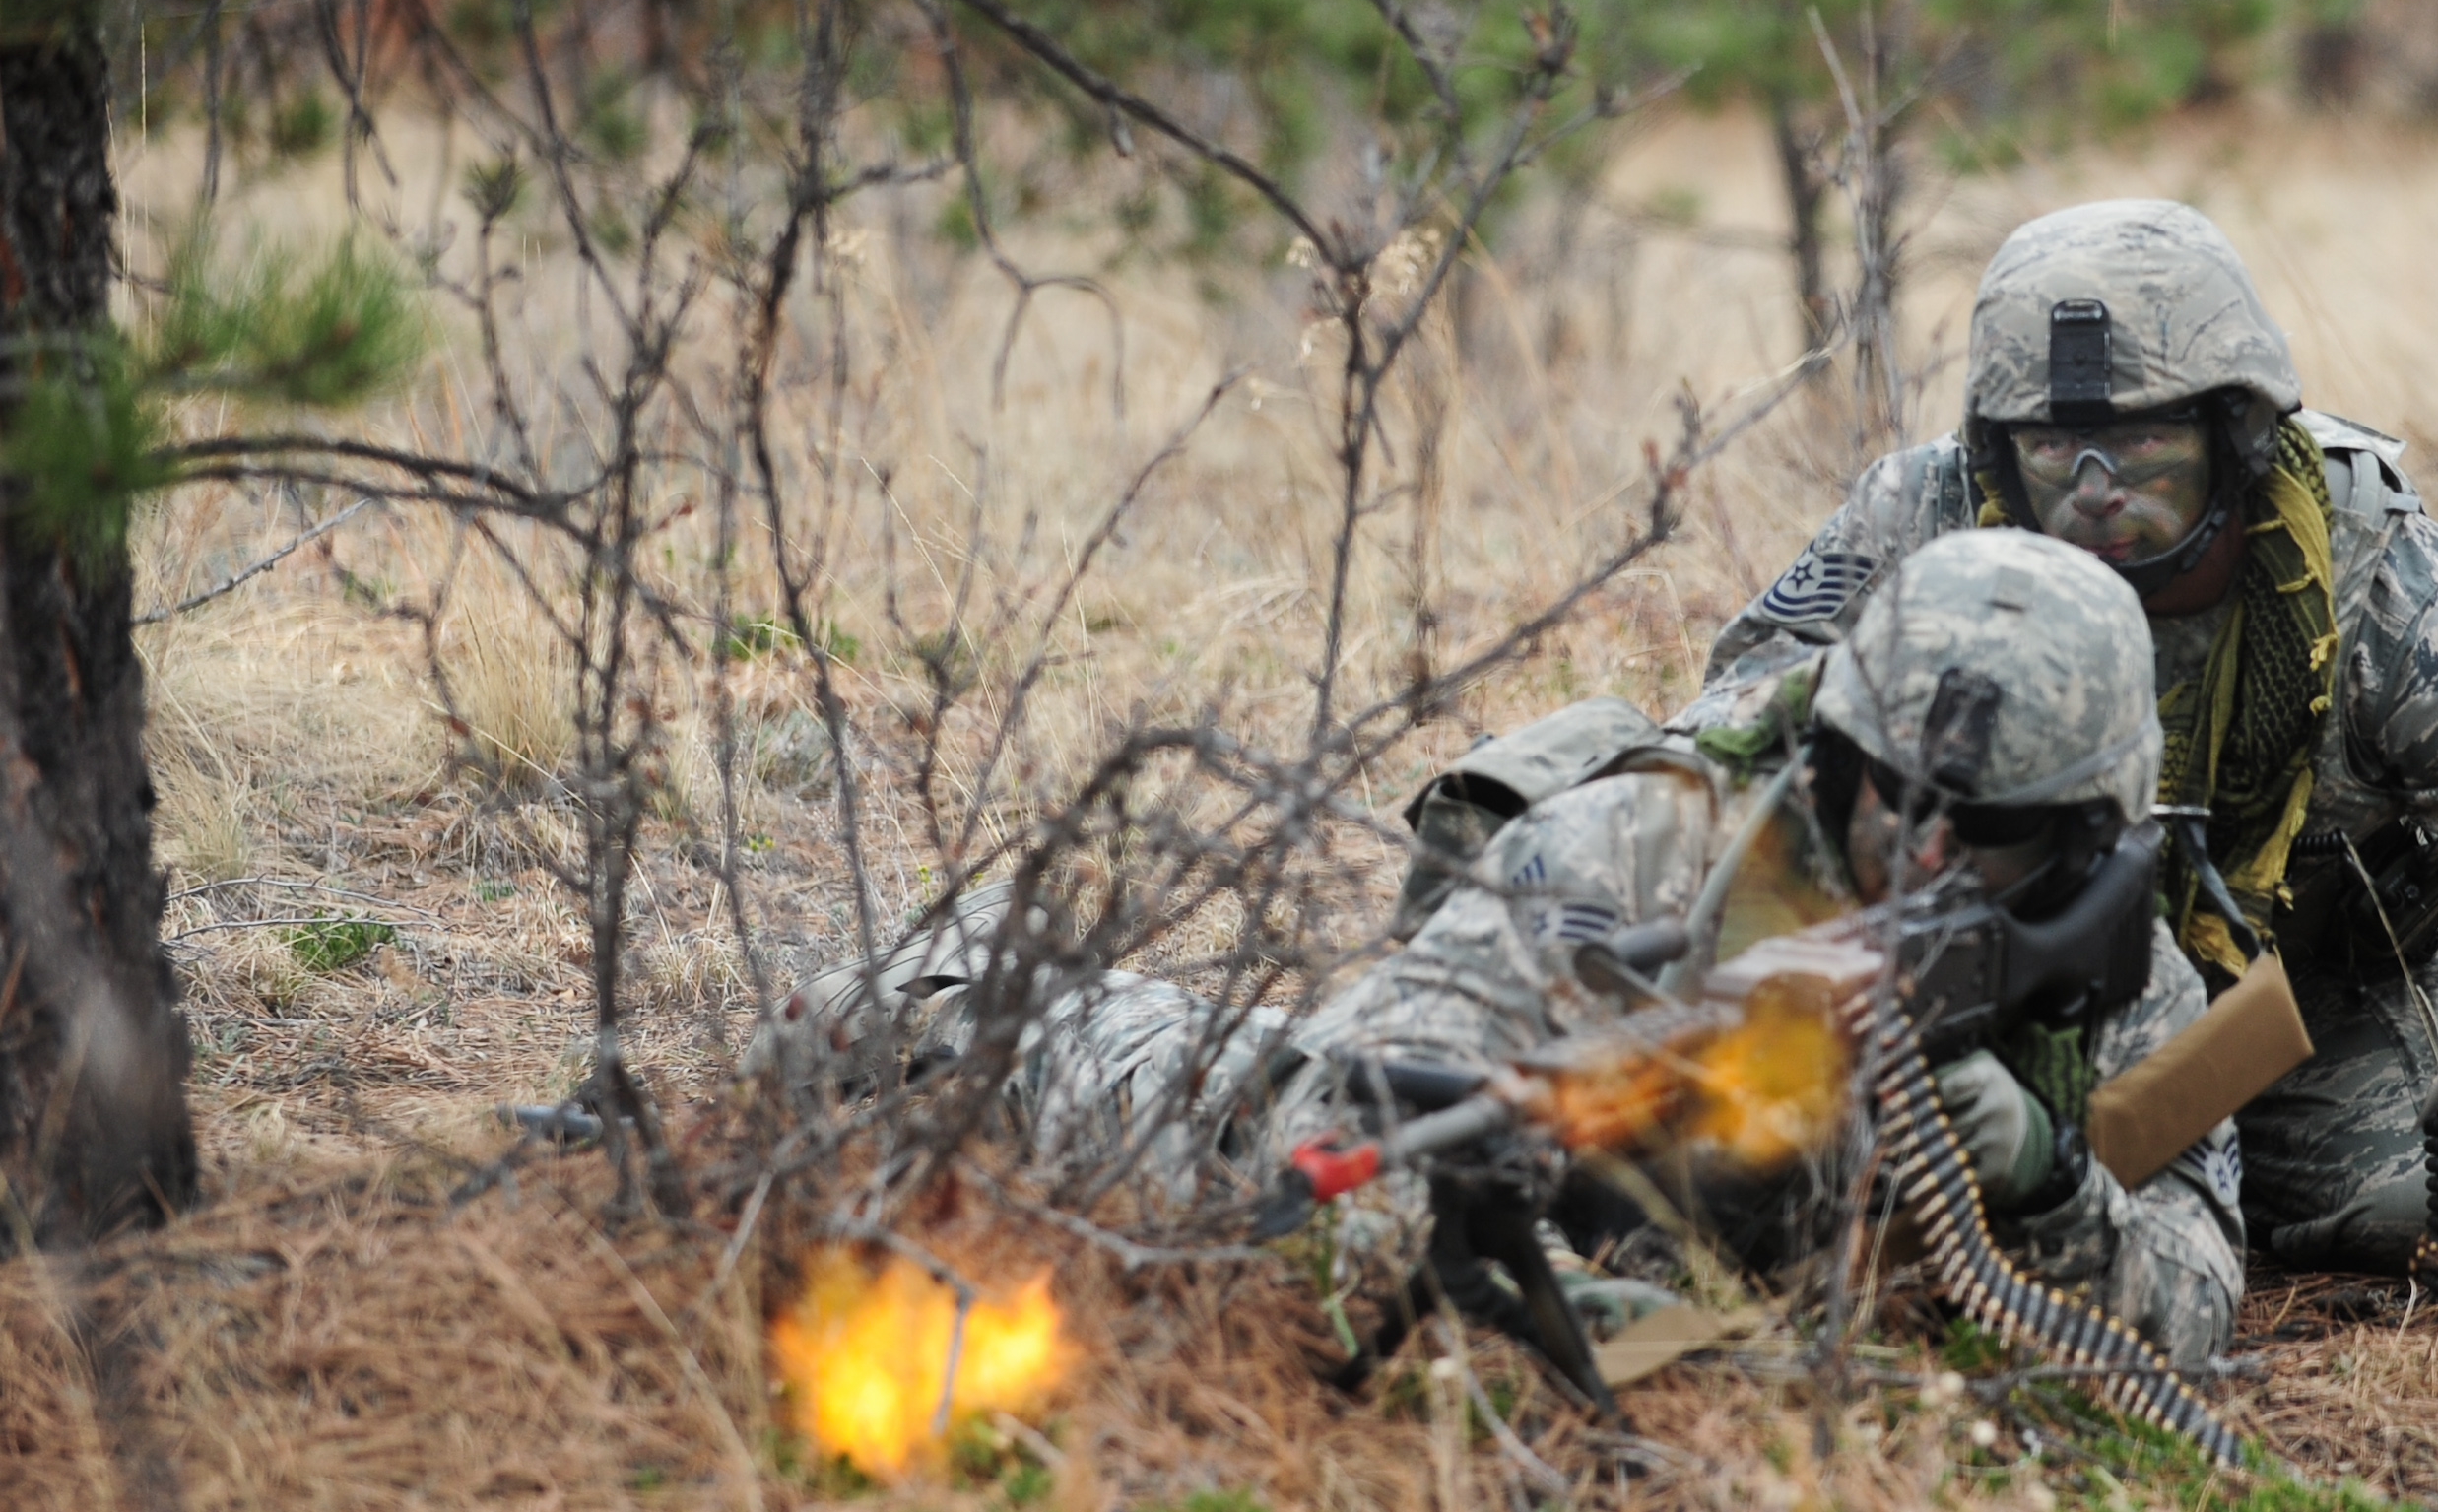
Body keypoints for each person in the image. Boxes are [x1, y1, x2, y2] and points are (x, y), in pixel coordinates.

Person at [762, 531, 2246, 1380]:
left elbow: (2194, 1301)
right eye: (1890, 805)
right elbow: (1351, 1137)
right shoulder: (1638, 852)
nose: (1920, 862)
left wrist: (2034, 1169)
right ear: (1833, 756)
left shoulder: (2116, 965)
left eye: (1983, 834)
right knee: (949, 1033)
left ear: (2087, 836)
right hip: (1276, 1111)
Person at [1690, 199, 2438, 1315]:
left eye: (2148, 447)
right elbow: (1734, 740)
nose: (2098, 492)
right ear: (2000, 452)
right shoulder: (1926, 526)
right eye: (2056, 450)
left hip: (2299, 1022)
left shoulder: (2389, 588)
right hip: (1977, 994)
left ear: (2237, 438)